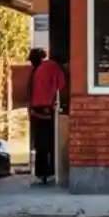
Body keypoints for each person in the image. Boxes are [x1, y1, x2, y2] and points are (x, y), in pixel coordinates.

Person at [27, 47, 67, 184]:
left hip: (36, 110)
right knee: (50, 141)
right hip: (47, 109)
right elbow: (61, 86)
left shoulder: (36, 71)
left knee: (40, 143)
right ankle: (50, 171)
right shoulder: (52, 67)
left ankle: (41, 172)